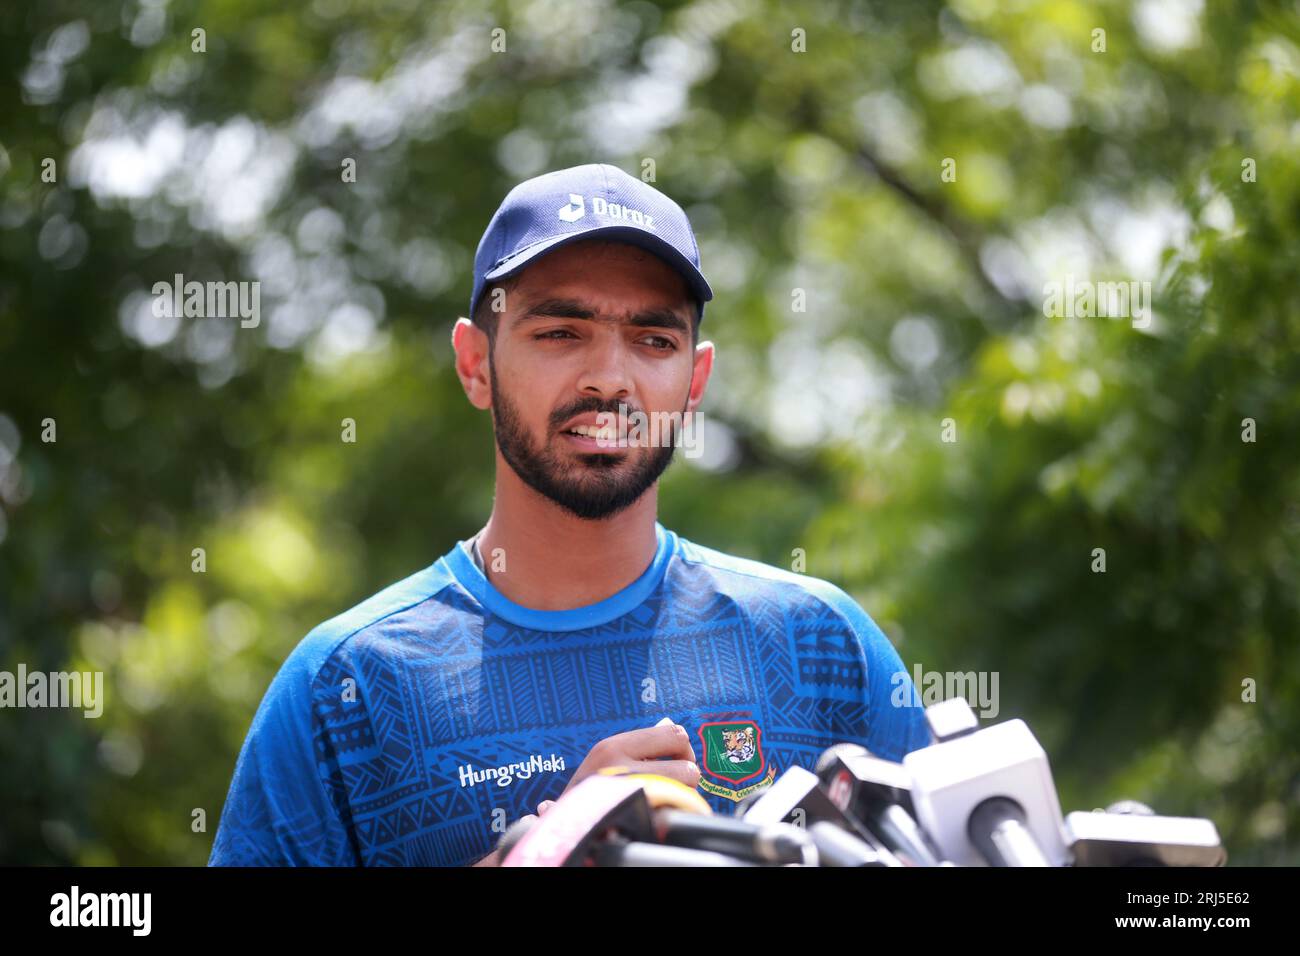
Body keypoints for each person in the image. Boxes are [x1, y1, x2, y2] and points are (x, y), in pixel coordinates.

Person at [209, 164, 931, 866]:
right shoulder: (349, 687)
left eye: (654, 340)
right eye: (560, 332)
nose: (609, 379)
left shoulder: (821, 649)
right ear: (475, 365)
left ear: (695, 380)